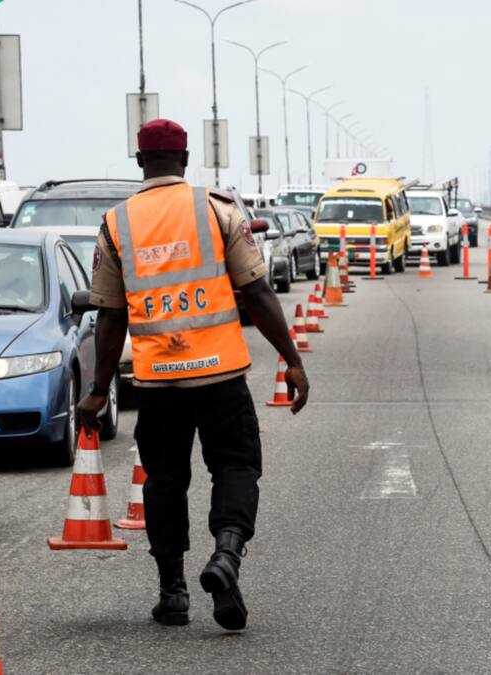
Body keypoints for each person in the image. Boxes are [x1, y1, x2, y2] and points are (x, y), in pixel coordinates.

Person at [76, 118, 308, 631]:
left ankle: (173, 592)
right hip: (221, 375)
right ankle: (226, 555)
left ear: (140, 162)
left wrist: (97, 391)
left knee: (164, 481)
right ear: (185, 157)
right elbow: (257, 292)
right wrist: (292, 360)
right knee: (236, 467)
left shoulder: (117, 225)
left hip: (158, 382)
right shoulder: (216, 210)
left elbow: (110, 316)